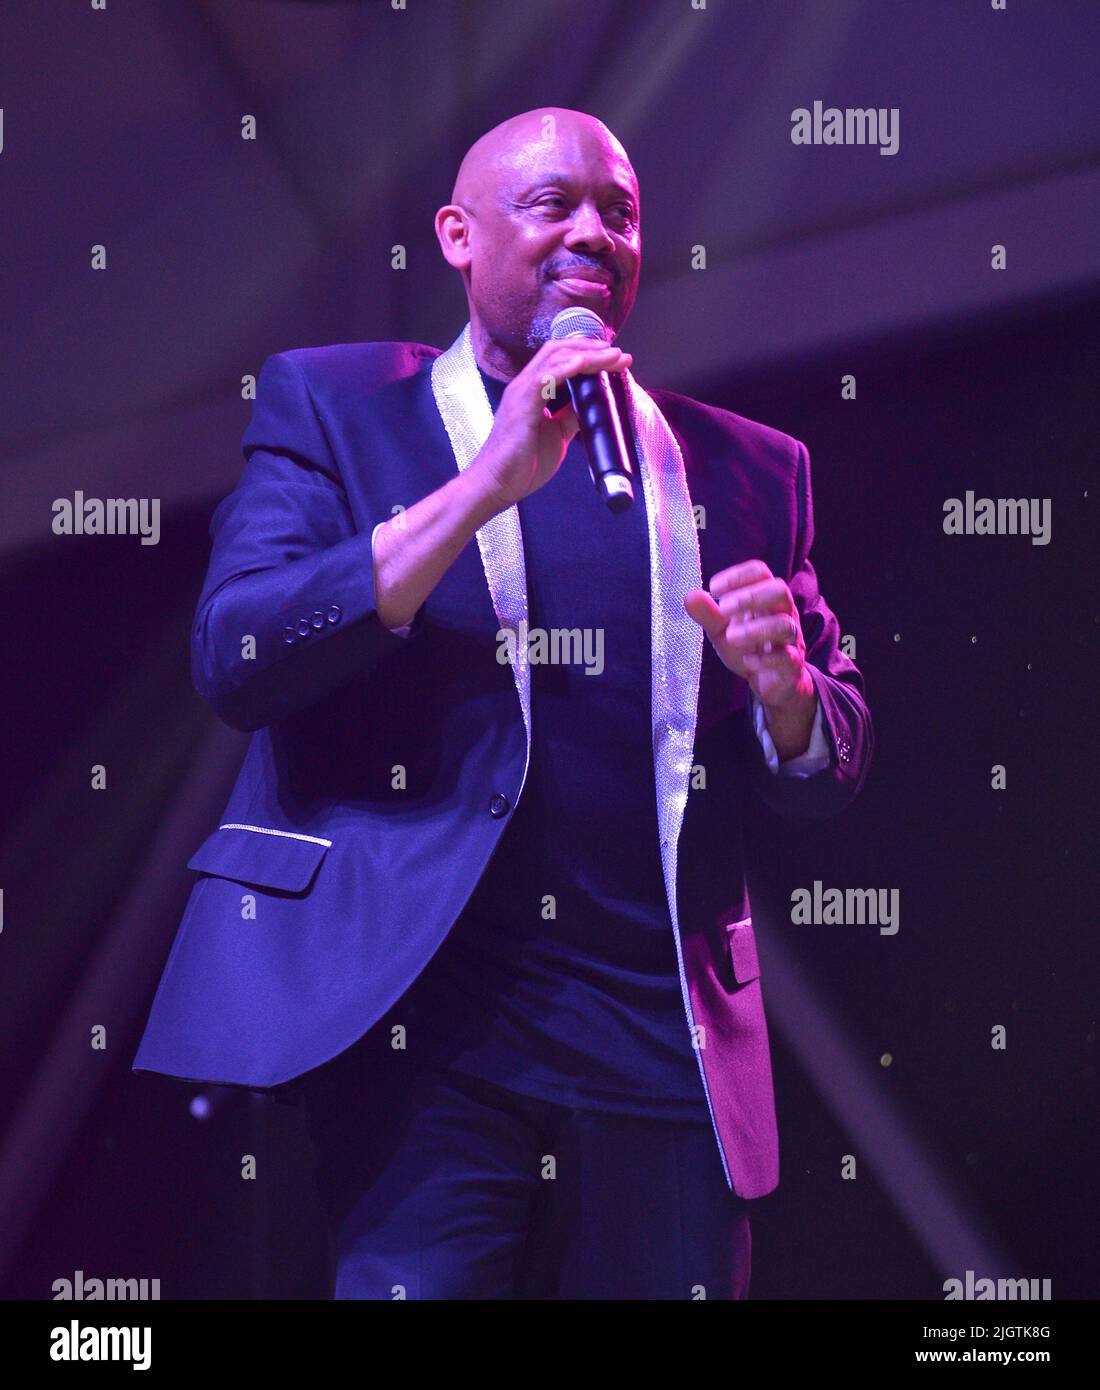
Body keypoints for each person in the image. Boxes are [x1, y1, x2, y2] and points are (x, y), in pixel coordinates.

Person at [133, 107, 873, 1300]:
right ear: (457, 236)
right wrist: (478, 491)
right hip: (432, 1041)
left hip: (659, 1049)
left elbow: (830, 753)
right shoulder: (341, 411)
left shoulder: (742, 469)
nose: (593, 232)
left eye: (619, 212)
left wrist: (789, 702)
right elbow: (237, 652)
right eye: (551, 204)